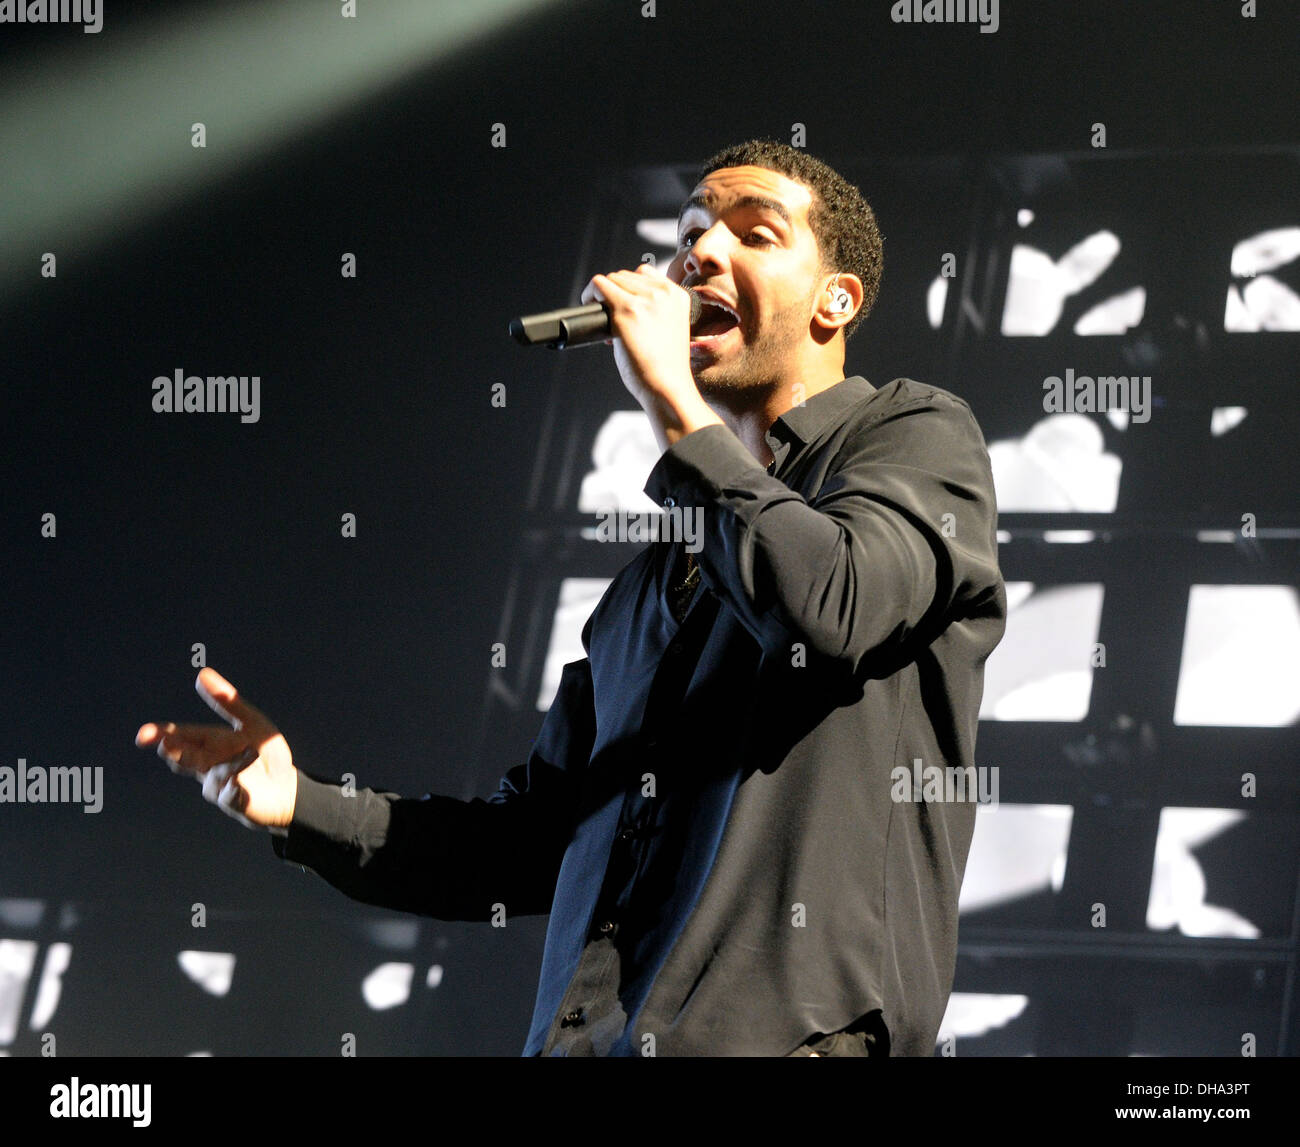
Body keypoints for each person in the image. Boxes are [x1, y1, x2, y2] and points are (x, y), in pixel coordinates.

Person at [136, 139, 1006, 1057]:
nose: (700, 254)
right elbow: (529, 845)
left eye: (754, 234)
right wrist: (303, 806)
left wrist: (675, 406)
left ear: (838, 299)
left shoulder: (915, 435)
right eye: (692, 234)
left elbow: (831, 604)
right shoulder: (641, 595)